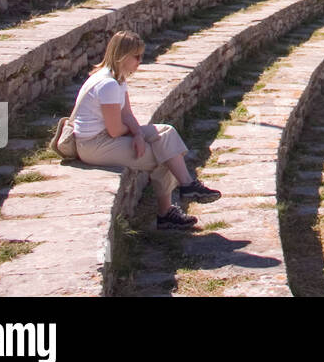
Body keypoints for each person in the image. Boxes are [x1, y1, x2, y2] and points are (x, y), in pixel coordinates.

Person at [70, 30, 221, 229]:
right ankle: (167, 212)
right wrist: (138, 136)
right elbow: (115, 130)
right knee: (163, 155)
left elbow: (127, 115)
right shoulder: (107, 85)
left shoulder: (117, 78)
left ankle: (187, 186)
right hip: (93, 145)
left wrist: (139, 133)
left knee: (165, 133)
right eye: (136, 56)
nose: (140, 61)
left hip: (104, 137)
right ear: (122, 56)